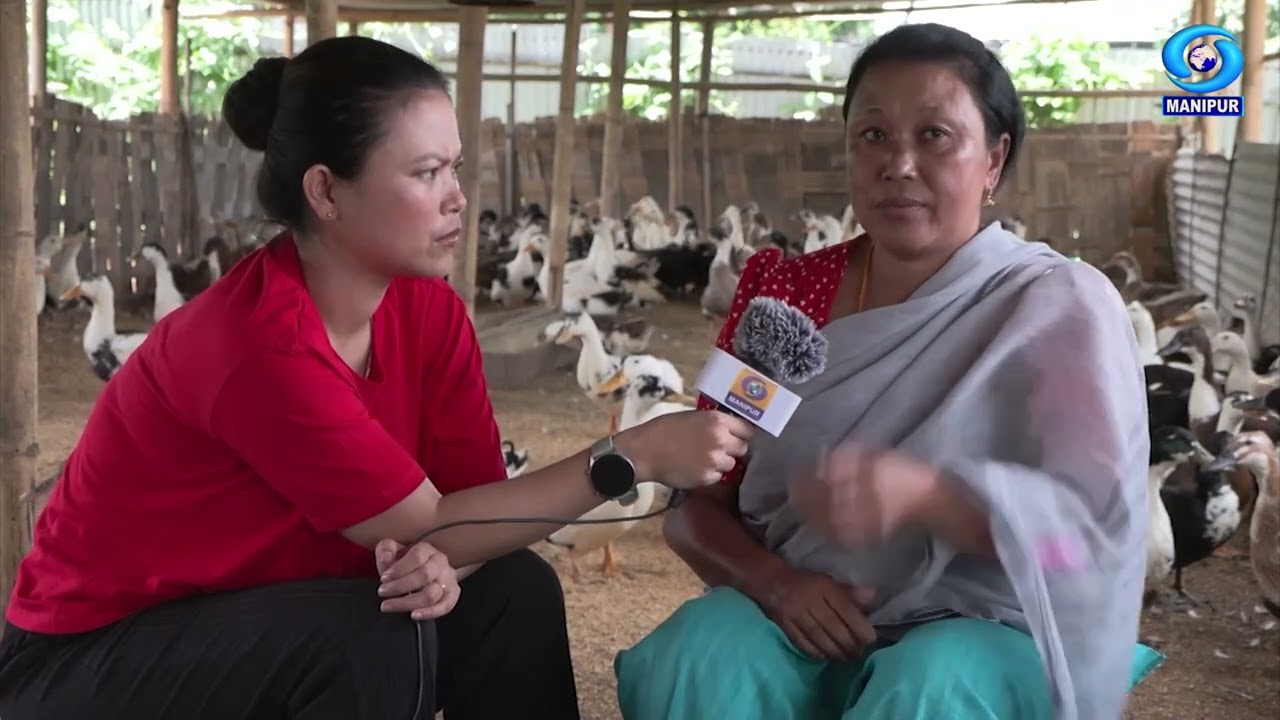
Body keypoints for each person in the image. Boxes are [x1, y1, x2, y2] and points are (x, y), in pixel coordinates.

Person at [0, 36, 755, 720]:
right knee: (368, 638)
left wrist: (443, 564)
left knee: (514, 592)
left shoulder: (428, 310)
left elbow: (473, 521)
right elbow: (434, 521)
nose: (459, 196)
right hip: (88, 661)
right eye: (427, 173)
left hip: (273, 610)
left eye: (455, 167)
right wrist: (638, 455)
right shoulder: (257, 346)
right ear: (326, 191)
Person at [614, 23, 1160, 720]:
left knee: (937, 683)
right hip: (795, 628)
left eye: (935, 135)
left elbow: (1087, 547)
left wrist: (941, 503)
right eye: (872, 135)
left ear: (994, 158)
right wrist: (775, 583)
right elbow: (698, 508)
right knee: (702, 652)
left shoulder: (1053, 312)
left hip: (981, 639)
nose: (898, 164)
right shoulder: (785, 301)